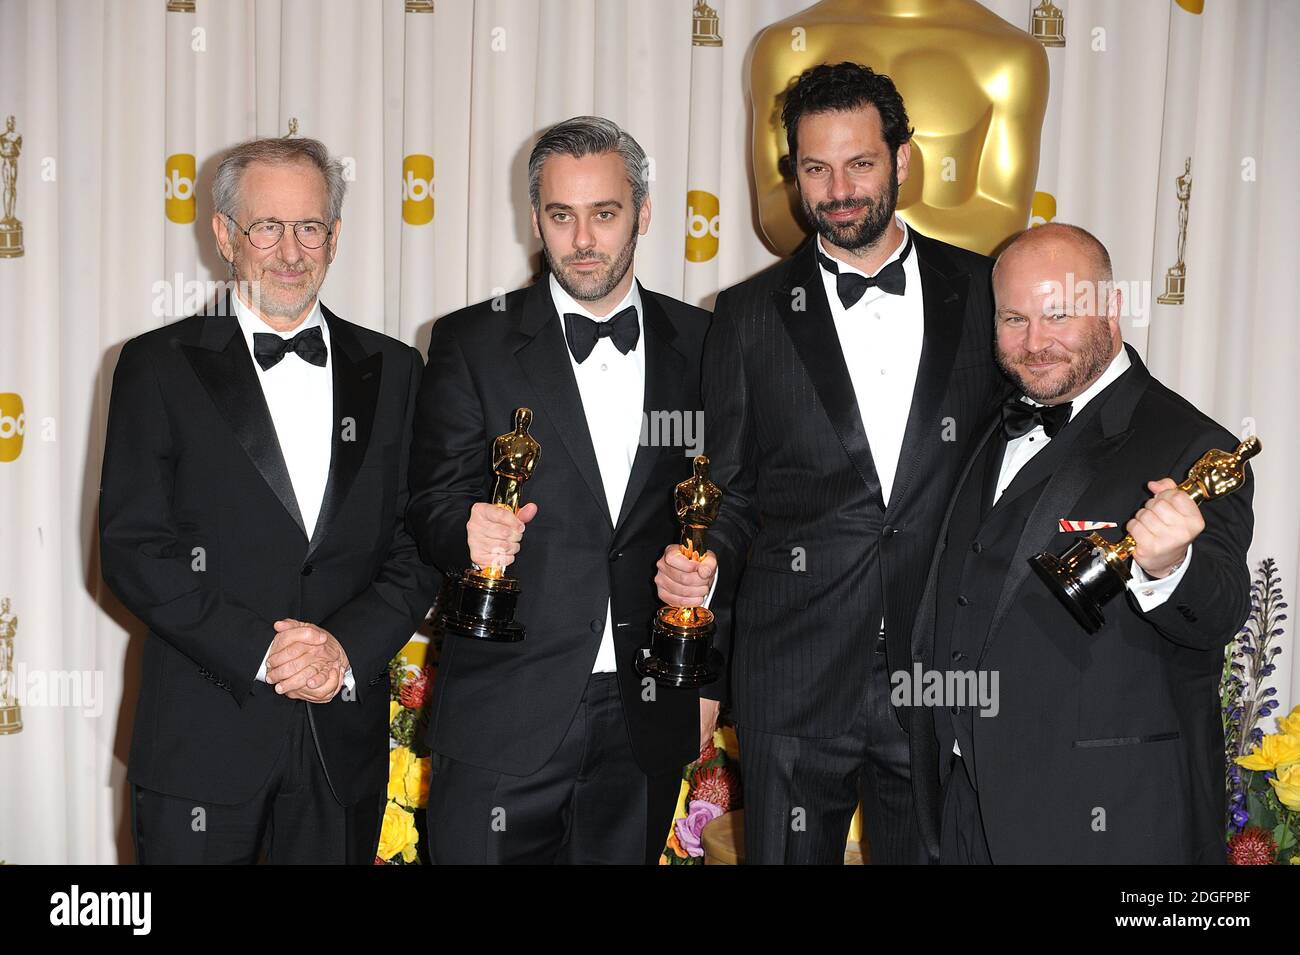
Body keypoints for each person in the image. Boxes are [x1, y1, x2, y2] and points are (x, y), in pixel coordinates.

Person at [656, 62, 1005, 864]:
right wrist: (703, 570)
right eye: (816, 168)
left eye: (860, 163)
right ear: (795, 175)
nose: (839, 188)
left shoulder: (984, 292)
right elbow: (731, 490)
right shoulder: (745, 314)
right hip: (794, 675)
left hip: (940, 670)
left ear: (903, 161)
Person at [99, 136, 436, 864]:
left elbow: (418, 542)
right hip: (201, 746)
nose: (290, 250)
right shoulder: (157, 367)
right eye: (267, 227)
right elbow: (135, 547)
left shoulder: (398, 370)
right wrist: (265, 652)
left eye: (309, 226)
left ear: (335, 237)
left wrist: (344, 648)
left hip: (339, 750)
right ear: (224, 235)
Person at [407, 116, 714, 864]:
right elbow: (426, 504)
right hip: (502, 708)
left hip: (645, 709)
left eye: (604, 214)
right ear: (535, 218)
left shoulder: (705, 345)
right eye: (560, 215)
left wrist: (712, 675)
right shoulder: (470, 340)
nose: (582, 239)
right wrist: (466, 532)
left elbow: (734, 513)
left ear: (643, 212)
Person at [913, 222, 1254, 864]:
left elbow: (1222, 608)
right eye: (1014, 318)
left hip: (1107, 818)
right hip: (963, 811)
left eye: (1058, 314)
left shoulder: (1192, 445)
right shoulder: (983, 426)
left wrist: (1170, 565)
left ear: (1112, 307)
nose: (1034, 342)